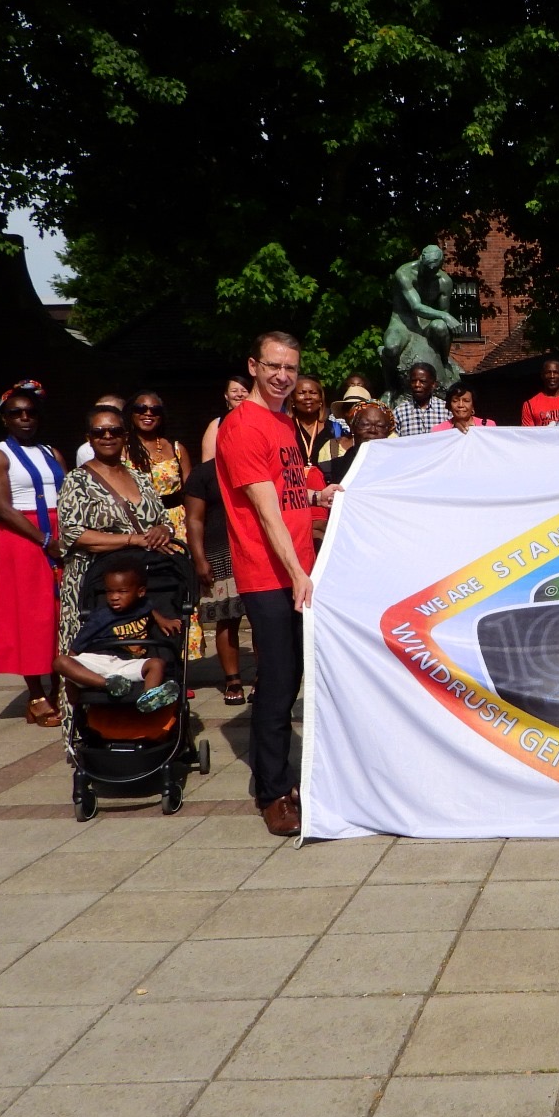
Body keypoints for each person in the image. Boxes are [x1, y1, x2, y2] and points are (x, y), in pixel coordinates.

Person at [217, 331, 342, 837]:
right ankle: (272, 793)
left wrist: (326, 495)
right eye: (273, 366)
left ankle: (295, 775)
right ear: (253, 365)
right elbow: (267, 516)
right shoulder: (242, 426)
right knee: (275, 683)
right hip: (270, 576)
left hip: (296, 571)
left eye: (290, 368)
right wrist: (297, 575)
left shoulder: (284, 420)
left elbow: (293, 493)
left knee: (295, 680)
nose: (283, 377)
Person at [57, 405, 175, 728]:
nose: (107, 436)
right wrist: (132, 540)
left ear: (125, 435)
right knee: (88, 659)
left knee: (145, 655)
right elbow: (75, 535)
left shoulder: (139, 477)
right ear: (89, 438)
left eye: (114, 431)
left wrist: (163, 530)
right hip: (91, 587)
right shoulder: (76, 482)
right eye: (99, 432)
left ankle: (149, 725)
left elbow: (163, 521)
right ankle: (87, 738)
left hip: (139, 586)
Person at [0, 381, 67, 725]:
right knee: (32, 616)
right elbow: (4, 509)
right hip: (24, 538)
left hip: (58, 532)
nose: (25, 418)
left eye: (30, 412)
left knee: (62, 613)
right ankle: (37, 694)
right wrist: (44, 539)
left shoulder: (52, 453)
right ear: (5, 419)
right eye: (16, 413)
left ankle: (60, 686)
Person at [124, 391, 201, 661]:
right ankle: (143, 658)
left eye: (155, 410)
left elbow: (191, 493)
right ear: (131, 413)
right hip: (138, 527)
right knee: (143, 589)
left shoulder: (176, 448)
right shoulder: (120, 448)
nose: (148, 413)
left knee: (178, 590)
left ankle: (177, 664)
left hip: (176, 523)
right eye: (141, 408)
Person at [53, 553, 182, 714]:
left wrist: (163, 620)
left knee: (156, 664)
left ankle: (149, 697)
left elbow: (149, 608)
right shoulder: (100, 617)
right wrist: (71, 685)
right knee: (61, 662)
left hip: (127, 664)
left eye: (121, 591)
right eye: (109, 592)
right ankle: (107, 684)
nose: (114, 597)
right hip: (100, 662)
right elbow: (76, 648)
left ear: (140, 592)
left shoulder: (144, 605)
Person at [184, 456, 248, 705]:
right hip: (219, 552)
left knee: (261, 617)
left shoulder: (251, 463)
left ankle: (264, 677)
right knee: (227, 618)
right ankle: (233, 680)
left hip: (253, 551)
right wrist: (199, 559)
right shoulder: (203, 473)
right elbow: (194, 519)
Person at [381, 244, 460, 400]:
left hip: (426, 324)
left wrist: (444, 318)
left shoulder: (444, 282)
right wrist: (446, 316)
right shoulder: (404, 273)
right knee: (391, 347)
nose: (429, 274)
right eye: (426, 269)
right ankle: (390, 388)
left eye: (434, 271)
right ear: (420, 259)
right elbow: (416, 307)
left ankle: (444, 362)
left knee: (441, 327)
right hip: (403, 322)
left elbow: (443, 313)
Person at [321, 401, 397, 485]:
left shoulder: (398, 469)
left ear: (388, 431)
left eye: (380, 426)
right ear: (353, 427)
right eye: (365, 424)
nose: (372, 430)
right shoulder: (330, 469)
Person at [289, 375, 344, 466]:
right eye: (301, 393)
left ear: (320, 399)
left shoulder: (334, 429)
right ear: (292, 400)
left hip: (327, 479)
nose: (308, 397)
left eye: (313, 393)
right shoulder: (285, 427)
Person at [200, 376, 251, 462]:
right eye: (234, 391)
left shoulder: (258, 419)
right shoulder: (216, 424)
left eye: (244, 391)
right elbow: (208, 462)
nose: (239, 394)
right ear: (226, 396)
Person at [392, 362, 448, 437]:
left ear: (433, 384)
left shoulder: (446, 409)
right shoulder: (399, 412)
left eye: (422, 382)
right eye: (413, 381)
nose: (417, 385)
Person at [75, 394, 126, 467]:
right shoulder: (86, 451)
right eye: (97, 411)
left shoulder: (140, 446)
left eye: (109, 410)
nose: (107, 436)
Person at [522, 357, 559, 426]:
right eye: (548, 372)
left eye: (556, 372)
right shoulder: (530, 404)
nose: (552, 376)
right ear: (542, 375)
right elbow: (528, 435)